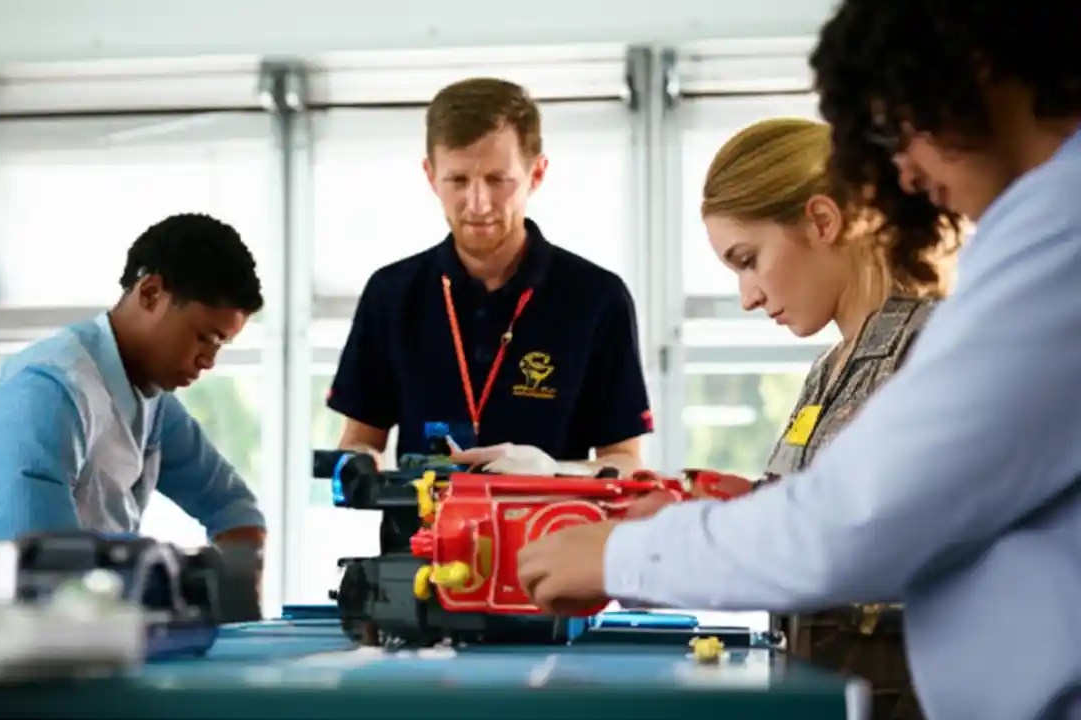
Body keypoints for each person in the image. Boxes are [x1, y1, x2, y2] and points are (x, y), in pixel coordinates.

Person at [516, 1, 1081, 719]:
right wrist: (712, 512)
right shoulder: (841, 361)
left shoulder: (1049, 237)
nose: (902, 171)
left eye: (897, 125)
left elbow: (855, 521)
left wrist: (629, 552)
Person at [659, 116, 960, 719]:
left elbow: (885, 549)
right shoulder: (830, 369)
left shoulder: (936, 352)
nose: (747, 296)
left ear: (823, 221)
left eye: (749, 260)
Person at [0, 213, 268, 609]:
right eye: (204, 338)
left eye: (220, 346)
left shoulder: (153, 403)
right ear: (151, 293)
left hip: (72, 629)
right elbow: (45, 569)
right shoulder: (46, 391)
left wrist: (241, 605)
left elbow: (232, 507)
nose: (208, 362)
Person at [327, 77, 652, 477]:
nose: (478, 204)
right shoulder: (391, 294)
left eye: (498, 180)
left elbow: (625, 461)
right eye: (458, 180)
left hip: (552, 533)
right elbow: (359, 439)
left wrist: (551, 471)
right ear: (431, 176)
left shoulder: (597, 297)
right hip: (420, 535)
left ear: (536, 174)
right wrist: (360, 466)